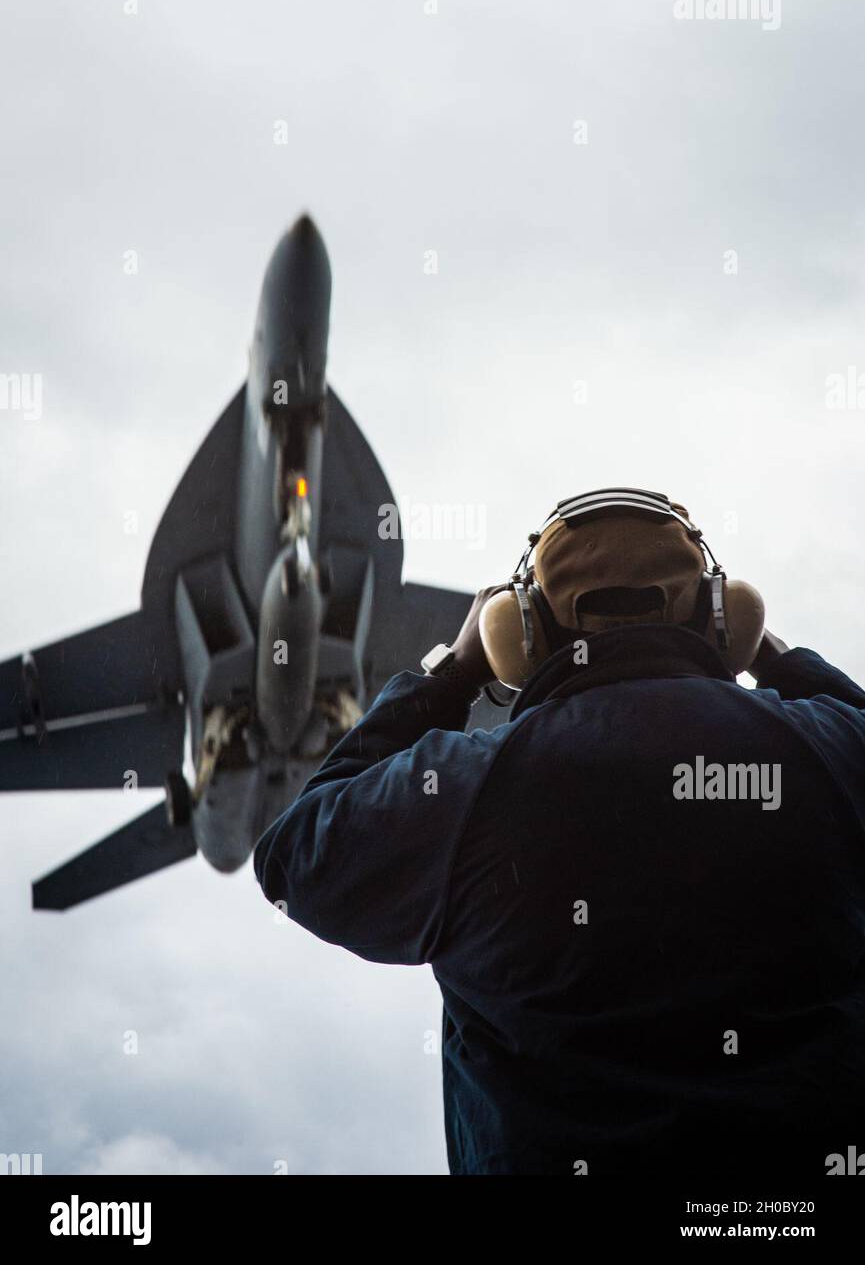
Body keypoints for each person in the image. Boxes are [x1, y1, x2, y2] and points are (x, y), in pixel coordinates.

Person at [253, 488, 865, 1176]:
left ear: (520, 634)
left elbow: (295, 859)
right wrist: (777, 659)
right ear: (724, 619)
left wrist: (448, 675)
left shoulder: (464, 786)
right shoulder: (829, 751)